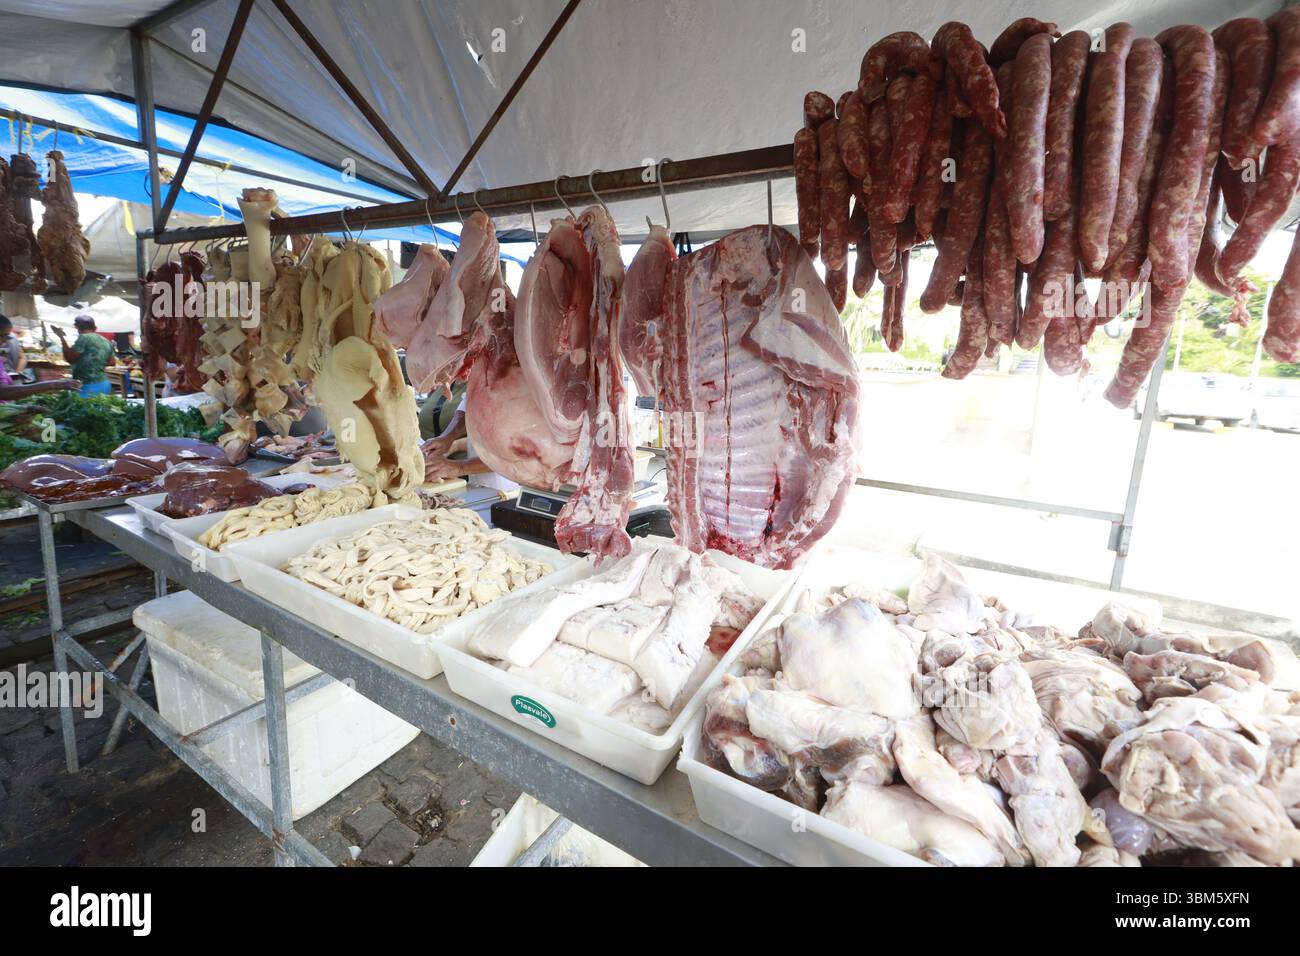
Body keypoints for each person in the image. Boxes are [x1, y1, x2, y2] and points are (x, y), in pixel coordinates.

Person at [421, 392, 518, 493]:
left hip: (504, 490)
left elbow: (512, 454)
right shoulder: (481, 382)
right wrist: (448, 439)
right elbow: (468, 406)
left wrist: (459, 467)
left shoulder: (517, 388)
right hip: (477, 486)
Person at [51, 315, 114, 397]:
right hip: (104, 384)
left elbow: (70, 359)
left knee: (85, 409)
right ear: (95, 327)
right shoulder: (106, 341)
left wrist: (61, 338)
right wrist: (95, 362)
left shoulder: (84, 337)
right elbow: (112, 362)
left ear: (77, 328)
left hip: (88, 386)